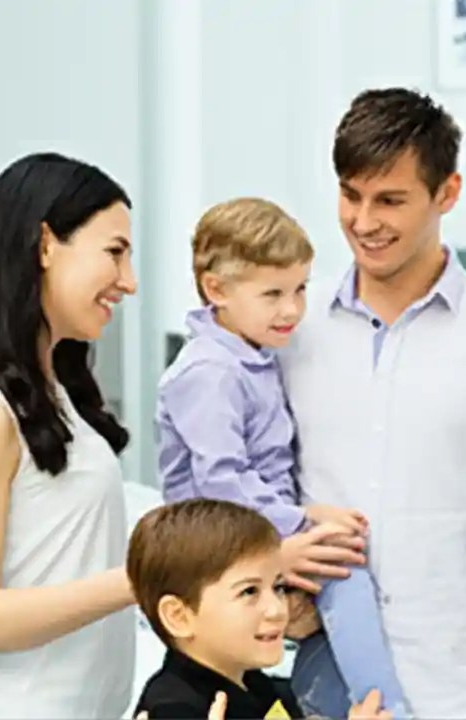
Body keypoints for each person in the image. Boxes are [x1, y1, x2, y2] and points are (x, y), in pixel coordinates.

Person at [278, 87, 466, 720]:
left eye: (391, 200)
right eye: (350, 195)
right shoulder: (292, 333)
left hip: (463, 691)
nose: (365, 222)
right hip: (317, 684)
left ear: (447, 193)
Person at [155, 197, 409, 717]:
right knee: (344, 568)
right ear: (216, 289)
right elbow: (221, 480)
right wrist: (303, 522)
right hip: (221, 542)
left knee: (331, 599)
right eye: (272, 293)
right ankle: (389, 708)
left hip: (258, 531)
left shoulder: (254, 358)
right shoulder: (210, 373)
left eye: (299, 289)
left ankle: (338, 705)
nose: (291, 309)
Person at [0, 152, 140, 718]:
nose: (130, 282)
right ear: (46, 245)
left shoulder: (52, 390)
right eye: (114, 253)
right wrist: (137, 581)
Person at [127, 498, 390, 720]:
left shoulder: (251, 683)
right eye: (249, 591)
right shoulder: (174, 710)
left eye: (278, 587)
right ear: (179, 616)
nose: (277, 609)